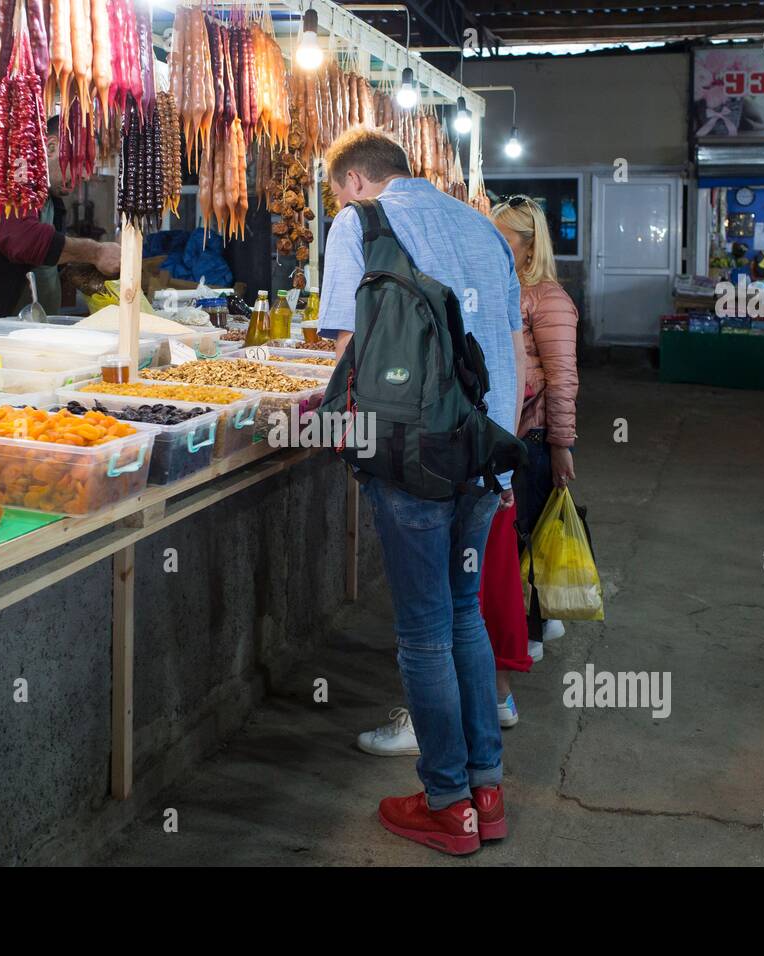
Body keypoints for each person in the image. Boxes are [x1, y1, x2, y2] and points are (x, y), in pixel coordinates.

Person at [318, 127, 526, 855]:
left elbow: (348, 346)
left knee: (424, 631)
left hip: (410, 458)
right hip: (482, 454)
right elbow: (513, 348)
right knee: (463, 615)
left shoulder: (359, 223)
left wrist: (317, 423)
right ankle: (485, 790)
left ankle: (445, 801)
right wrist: (504, 465)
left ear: (352, 182)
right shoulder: (484, 227)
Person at [489, 196, 579, 722]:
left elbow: (563, 380)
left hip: (534, 436)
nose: (496, 244)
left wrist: (561, 443)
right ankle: (532, 627)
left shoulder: (549, 300)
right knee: (518, 534)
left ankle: (534, 627)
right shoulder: (509, 291)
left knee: (527, 535)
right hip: (512, 434)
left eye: (504, 236)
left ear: (527, 244)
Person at [0, 115, 121, 323]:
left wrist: (81, 269)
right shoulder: (7, 175)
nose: (86, 175)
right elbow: (24, 240)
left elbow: (43, 256)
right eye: (82, 162)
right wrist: (95, 252)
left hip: (21, 331)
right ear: (51, 147)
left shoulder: (51, 200)